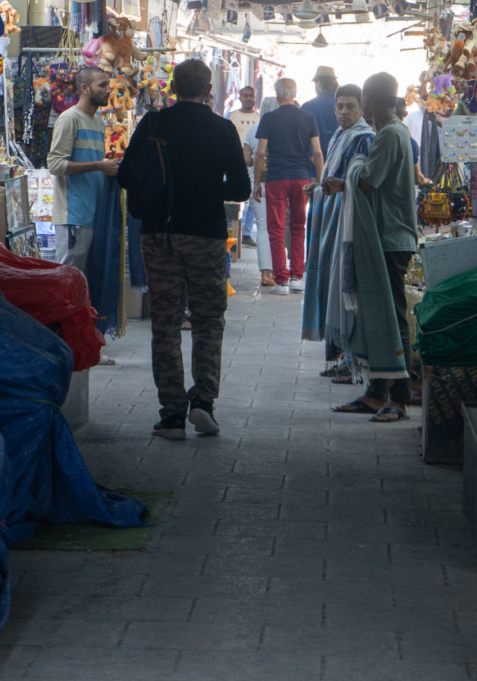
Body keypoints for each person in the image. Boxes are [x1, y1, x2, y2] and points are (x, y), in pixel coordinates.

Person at [118, 57, 252, 439]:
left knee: (165, 323)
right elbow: (240, 189)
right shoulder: (223, 129)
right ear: (209, 90)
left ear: (172, 88)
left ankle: (172, 415)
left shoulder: (153, 123)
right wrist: (208, 189)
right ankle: (204, 402)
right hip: (207, 236)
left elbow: (126, 176)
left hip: (159, 235)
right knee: (208, 320)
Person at [328, 71, 418, 421]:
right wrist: (343, 184)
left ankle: (399, 399)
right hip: (386, 237)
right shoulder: (391, 132)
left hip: (391, 239)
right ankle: (376, 393)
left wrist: (352, 169)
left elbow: (367, 182)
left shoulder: (391, 134)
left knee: (392, 318)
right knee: (378, 316)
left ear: (368, 102)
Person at [301, 83, 371, 372]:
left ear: (362, 108)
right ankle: (340, 358)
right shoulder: (340, 136)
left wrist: (335, 188)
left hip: (347, 221)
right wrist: (319, 188)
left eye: (350, 106)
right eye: (339, 106)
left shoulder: (364, 139)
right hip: (331, 219)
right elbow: (334, 178)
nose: (343, 111)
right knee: (331, 284)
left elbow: (363, 184)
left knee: (345, 288)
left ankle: (351, 361)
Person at [47, 65, 119, 276]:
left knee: (85, 279)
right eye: (102, 85)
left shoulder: (98, 122)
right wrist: (99, 165)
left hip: (94, 213)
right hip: (74, 215)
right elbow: (55, 164)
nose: (109, 90)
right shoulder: (69, 119)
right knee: (68, 276)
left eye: (108, 84)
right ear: (85, 88)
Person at [253, 76, 323, 292]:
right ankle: (296, 278)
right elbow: (317, 152)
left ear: (277, 94)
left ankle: (281, 280)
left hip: (276, 177)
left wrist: (256, 182)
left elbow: (261, 152)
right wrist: (320, 180)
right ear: (294, 94)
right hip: (301, 177)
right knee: (298, 226)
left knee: (276, 228)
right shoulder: (308, 117)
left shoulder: (269, 118)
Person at [228, 85, 261, 245]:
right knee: (238, 200)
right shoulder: (232, 116)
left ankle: (246, 234)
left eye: (251, 95)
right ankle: (233, 233)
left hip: (255, 164)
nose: (248, 98)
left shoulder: (259, 118)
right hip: (237, 162)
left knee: (254, 199)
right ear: (240, 98)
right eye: (245, 95)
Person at [301, 66, 338, 155]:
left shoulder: (307, 107)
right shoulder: (344, 106)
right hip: (338, 158)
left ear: (319, 83)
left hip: (312, 159)